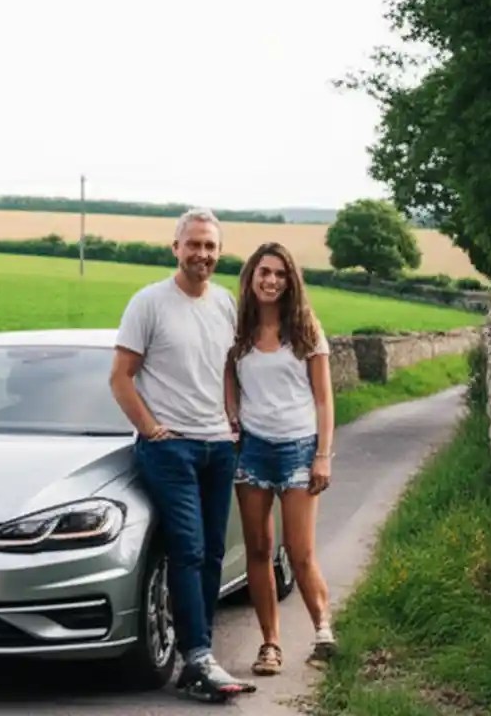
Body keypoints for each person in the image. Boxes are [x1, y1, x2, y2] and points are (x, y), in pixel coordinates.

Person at [110, 208, 256, 700]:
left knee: (213, 551)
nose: (202, 254)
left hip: (219, 445)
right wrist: (151, 430)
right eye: (193, 244)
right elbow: (120, 377)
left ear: (219, 252)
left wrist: (233, 421)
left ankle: (202, 654)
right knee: (188, 551)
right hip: (170, 450)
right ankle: (195, 657)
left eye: (210, 246)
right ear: (175, 247)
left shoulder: (225, 305)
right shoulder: (149, 303)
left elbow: (228, 369)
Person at [222, 241, 337, 676]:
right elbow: (228, 378)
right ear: (251, 279)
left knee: (299, 550)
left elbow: (325, 401)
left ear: (290, 282)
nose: (270, 280)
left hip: (298, 449)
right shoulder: (239, 333)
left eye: (279, 274)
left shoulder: (307, 330)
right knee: (258, 549)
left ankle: (323, 631)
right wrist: (232, 416)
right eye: (263, 272)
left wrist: (323, 456)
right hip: (252, 450)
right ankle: (270, 645)